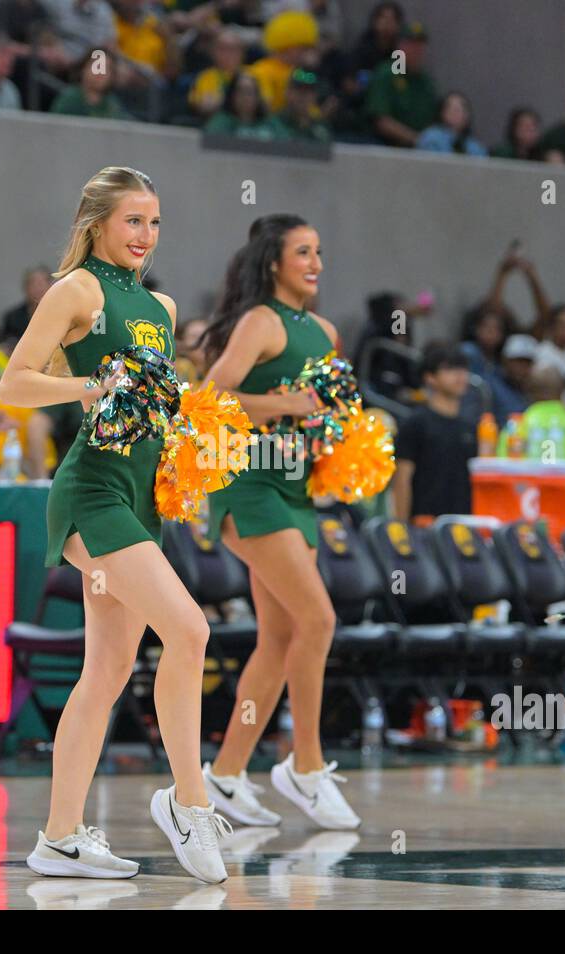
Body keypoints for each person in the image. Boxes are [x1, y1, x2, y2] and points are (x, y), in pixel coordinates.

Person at [0, 165, 231, 882]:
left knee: (105, 671)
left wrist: (188, 450)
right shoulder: (78, 290)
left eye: (155, 222)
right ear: (96, 223)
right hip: (92, 491)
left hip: (140, 496)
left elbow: (155, 405)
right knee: (190, 630)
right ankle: (189, 800)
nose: (145, 235)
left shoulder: (158, 306)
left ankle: (59, 838)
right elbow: (14, 382)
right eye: (133, 220)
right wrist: (92, 384)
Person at [198, 213, 361, 831]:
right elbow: (213, 397)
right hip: (250, 485)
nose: (316, 262)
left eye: (319, 251)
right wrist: (283, 404)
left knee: (281, 639)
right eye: (303, 252)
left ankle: (227, 774)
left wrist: (336, 437)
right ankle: (306, 766)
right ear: (274, 262)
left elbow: (326, 408)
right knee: (318, 619)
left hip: (295, 488)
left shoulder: (323, 329)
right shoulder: (259, 322)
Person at [392, 343, 481, 524]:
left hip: (463, 526)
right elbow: (402, 479)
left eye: (463, 368)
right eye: (449, 368)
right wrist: (402, 527)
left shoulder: (470, 428)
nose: (460, 375)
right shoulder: (415, 423)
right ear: (430, 377)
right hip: (424, 525)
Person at [364, 21, 436, 147]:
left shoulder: (426, 82)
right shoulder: (387, 74)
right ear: (400, 47)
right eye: (412, 45)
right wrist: (416, 139)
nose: (417, 51)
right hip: (385, 147)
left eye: (420, 46)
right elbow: (381, 121)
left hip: (419, 152)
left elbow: (433, 119)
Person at [50, 48, 133, 119]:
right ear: (83, 69)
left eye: (107, 68)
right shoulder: (69, 99)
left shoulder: (113, 104)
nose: (100, 72)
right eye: (96, 66)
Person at [203, 72, 277, 140]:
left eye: (250, 92)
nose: (245, 97)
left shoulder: (270, 123)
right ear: (232, 96)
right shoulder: (219, 123)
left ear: (258, 96)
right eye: (240, 91)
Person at [416, 92, 487, 157]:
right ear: (442, 112)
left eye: (463, 110)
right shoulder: (431, 138)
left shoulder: (475, 146)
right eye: (454, 109)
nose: (459, 114)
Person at [1, 267, 54, 349]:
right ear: (25, 288)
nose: (38, 288)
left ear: (51, 286)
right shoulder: (12, 317)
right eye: (33, 284)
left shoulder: (60, 313)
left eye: (41, 283)